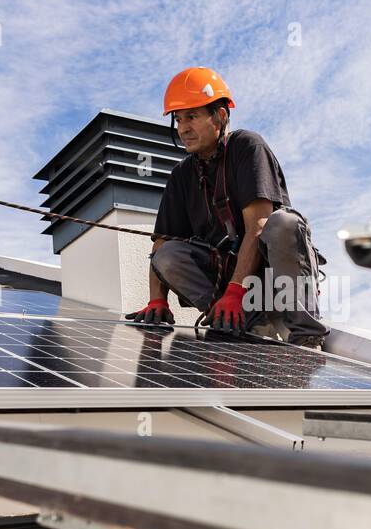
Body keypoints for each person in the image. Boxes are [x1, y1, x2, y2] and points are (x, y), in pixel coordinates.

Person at [124, 66, 329, 347]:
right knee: (167, 255)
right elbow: (162, 245)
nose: (183, 128)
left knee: (284, 223)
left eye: (192, 117)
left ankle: (306, 334)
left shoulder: (247, 147)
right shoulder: (181, 177)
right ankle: (238, 321)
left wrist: (236, 290)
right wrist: (157, 299)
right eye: (179, 119)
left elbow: (258, 226)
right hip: (232, 292)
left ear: (220, 115)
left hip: (271, 284)